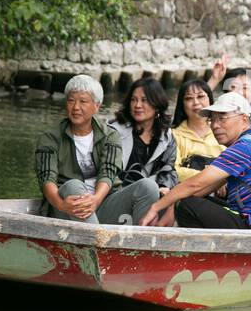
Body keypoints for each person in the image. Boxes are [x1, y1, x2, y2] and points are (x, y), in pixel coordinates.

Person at [140, 92, 251, 230]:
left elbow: (195, 183)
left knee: (187, 206)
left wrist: (156, 207)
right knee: (186, 200)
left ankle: (202, 254)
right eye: (212, 119)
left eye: (222, 118)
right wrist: (171, 204)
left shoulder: (245, 147)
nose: (215, 125)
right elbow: (203, 189)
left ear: (243, 119)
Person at [34, 74, 158, 224]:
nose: (76, 107)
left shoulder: (110, 136)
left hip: (101, 203)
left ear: (97, 106)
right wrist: (61, 204)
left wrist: (96, 200)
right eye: (71, 100)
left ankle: (135, 244)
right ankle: (96, 242)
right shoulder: (50, 138)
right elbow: (47, 178)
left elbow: (108, 173)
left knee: (149, 187)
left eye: (83, 101)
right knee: (73, 185)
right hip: (66, 208)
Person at [111, 77, 178, 195]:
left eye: (144, 100)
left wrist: (163, 186)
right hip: (117, 192)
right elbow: (107, 171)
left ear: (157, 104)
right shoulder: (114, 131)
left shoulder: (167, 137)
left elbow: (168, 169)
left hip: (150, 193)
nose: (137, 105)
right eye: (133, 100)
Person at [171, 79, 225, 181]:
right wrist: (212, 178)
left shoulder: (223, 131)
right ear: (182, 104)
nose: (196, 102)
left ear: (210, 100)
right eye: (189, 98)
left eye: (200, 96)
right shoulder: (174, 135)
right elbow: (173, 170)